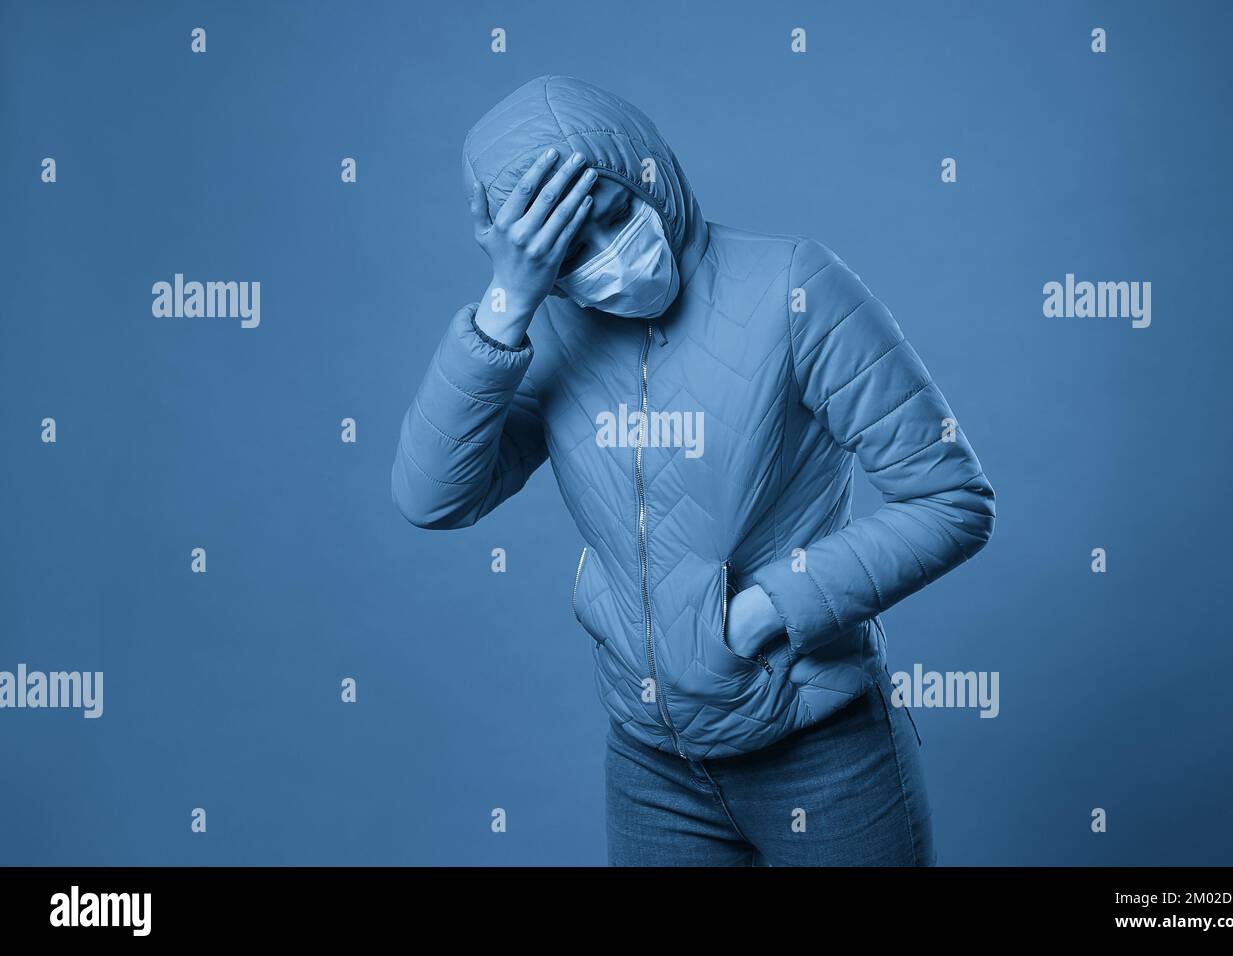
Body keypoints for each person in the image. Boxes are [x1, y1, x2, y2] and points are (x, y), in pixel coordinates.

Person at [391, 75, 996, 866]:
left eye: (613, 216)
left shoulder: (792, 288)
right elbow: (433, 498)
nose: (608, 255)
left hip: (823, 753)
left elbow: (952, 500)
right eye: (568, 249)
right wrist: (506, 304)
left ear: (651, 170)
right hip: (651, 768)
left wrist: (766, 611)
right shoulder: (551, 333)